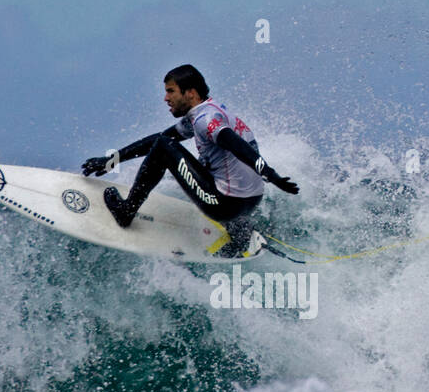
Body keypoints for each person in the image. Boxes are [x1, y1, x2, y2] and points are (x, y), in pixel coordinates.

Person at [81, 65, 298, 256]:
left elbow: (235, 144)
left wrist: (270, 173)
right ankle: (239, 232)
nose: (166, 98)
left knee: (165, 148)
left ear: (191, 93)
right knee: (166, 144)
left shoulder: (205, 121)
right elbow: (157, 139)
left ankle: (126, 211)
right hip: (250, 202)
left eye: (171, 92)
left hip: (225, 205)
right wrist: (113, 160)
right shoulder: (209, 111)